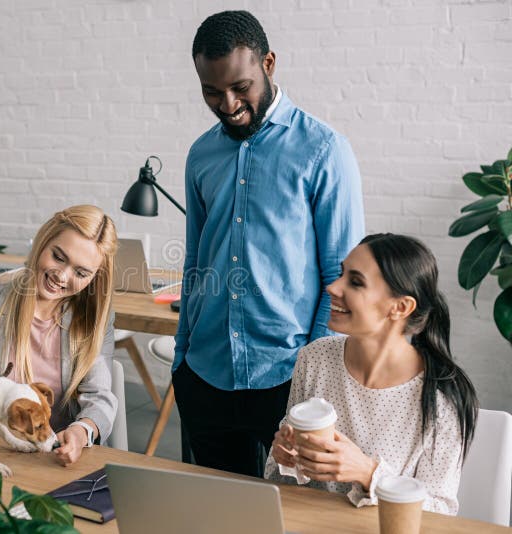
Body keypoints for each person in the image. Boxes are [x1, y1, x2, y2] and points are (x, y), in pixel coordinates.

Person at [173, 9, 365, 476]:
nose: (228, 104)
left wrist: (314, 379)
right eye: (212, 92)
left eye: (241, 87)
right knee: (221, 507)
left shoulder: (324, 150)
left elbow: (340, 277)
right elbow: (196, 260)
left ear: (269, 64)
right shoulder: (201, 155)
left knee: (300, 508)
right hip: (206, 372)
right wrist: (181, 357)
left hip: (288, 377)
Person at [265, 234, 478, 515]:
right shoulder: (314, 358)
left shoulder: (441, 396)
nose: (332, 287)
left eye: (355, 282)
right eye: (341, 274)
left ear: (400, 307)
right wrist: (285, 457)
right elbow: (282, 481)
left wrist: (368, 473)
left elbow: (441, 512)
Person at [0, 205, 118, 466]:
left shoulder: (93, 322)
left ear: (94, 278)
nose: (61, 276)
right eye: (58, 257)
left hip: (52, 460)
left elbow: (99, 398)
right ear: (42, 242)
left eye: (81, 273)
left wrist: (81, 432)